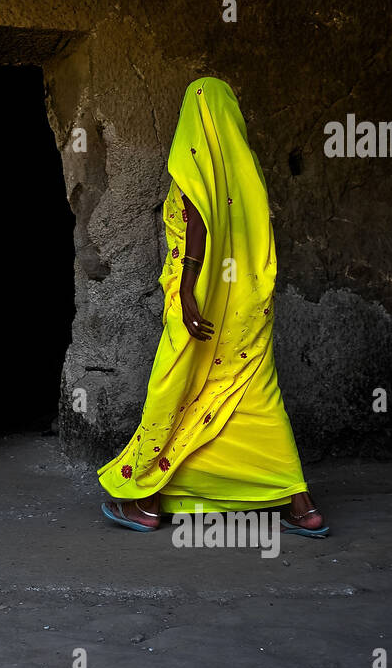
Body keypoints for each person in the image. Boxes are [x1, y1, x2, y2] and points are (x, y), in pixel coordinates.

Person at [96, 77, 328, 537]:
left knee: (176, 390)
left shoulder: (194, 164)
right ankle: (302, 508)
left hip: (199, 305)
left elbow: (198, 219)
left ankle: (146, 501)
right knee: (255, 397)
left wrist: (185, 290)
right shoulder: (247, 171)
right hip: (245, 307)